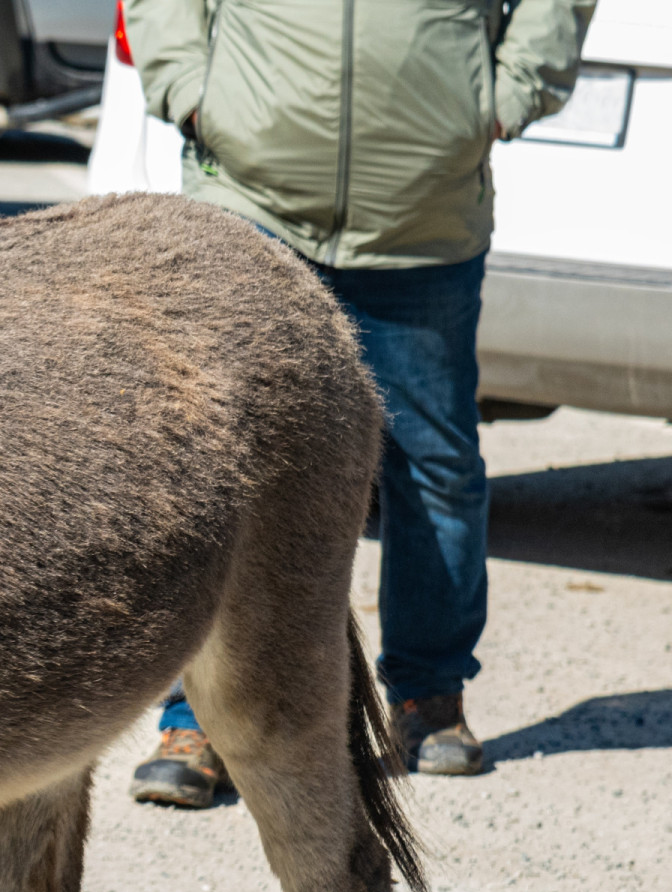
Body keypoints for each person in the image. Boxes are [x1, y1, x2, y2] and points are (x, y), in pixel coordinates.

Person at [124, 0, 595, 807]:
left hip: (419, 213)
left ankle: (427, 697)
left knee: (435, 467)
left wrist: (509, 90)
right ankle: (198, 714)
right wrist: (188, 87)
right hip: (249, 201)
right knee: (223, 467)